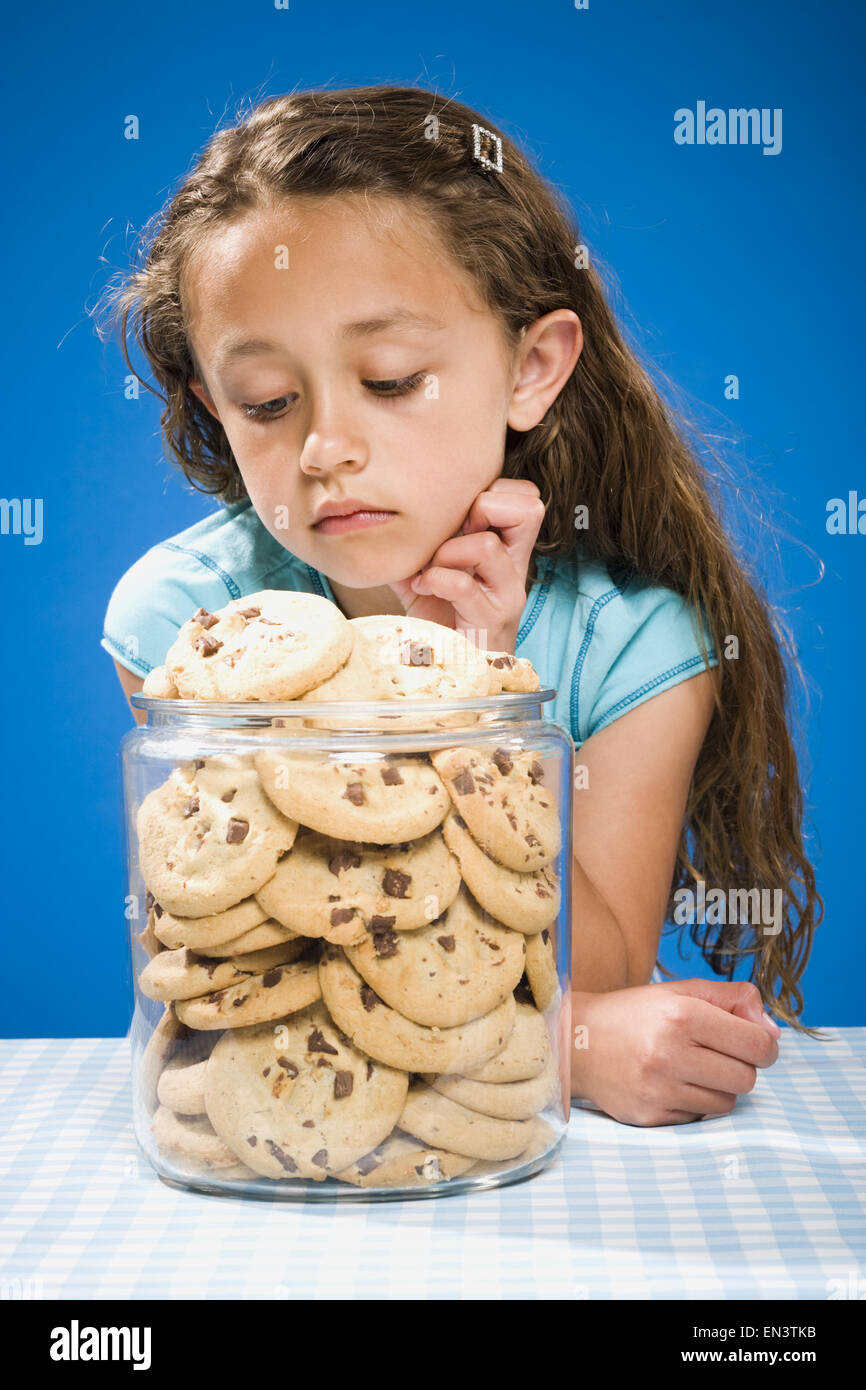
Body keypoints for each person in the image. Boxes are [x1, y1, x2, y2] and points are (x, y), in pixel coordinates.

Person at [95, 85, 821, 1127]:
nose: (322, 447)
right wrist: (573, 1048)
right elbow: (262, 976)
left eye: (389, 379)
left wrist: (469, 699)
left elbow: (595, 964)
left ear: (530, 369)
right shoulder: (189, 625)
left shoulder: (637, 644)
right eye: (265, 401)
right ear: (216, 405)